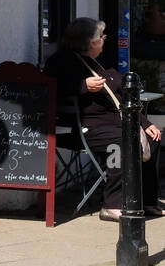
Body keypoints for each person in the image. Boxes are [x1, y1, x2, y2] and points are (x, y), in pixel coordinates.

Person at [43, 17, 162, 221]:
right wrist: (83, 86)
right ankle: (111, 204)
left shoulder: (99, 62)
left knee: (154, 138)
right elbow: (48, 90)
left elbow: (122, 99)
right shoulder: (60, 62)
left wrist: (145, 123)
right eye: (101, 36)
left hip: (113, 122)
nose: (104, 39)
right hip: (83, 127)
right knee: (123, 141)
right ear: (90, 42)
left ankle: (147, 200)